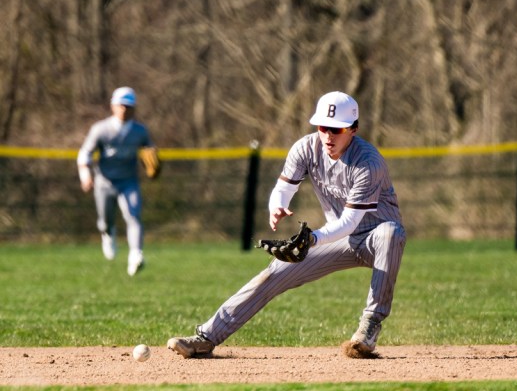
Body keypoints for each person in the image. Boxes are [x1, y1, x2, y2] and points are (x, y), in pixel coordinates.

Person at [167, 91, 406, 358]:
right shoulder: (306, 148)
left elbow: (351, 222)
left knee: (391, 232)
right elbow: (282, 188)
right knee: (273, 274)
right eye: (323, 127)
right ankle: (206, 338)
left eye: (336, 129)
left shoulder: (368, 163)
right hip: (339, 238)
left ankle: (369, 327)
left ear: (353, 129)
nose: (328, 136)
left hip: (374, 238)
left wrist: (313, 239)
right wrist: (276, 206)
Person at [77, 87, 156, 276]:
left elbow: (150, 150)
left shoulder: (140, 131)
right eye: (121, 105)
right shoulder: (101, 129)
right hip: (105, 182)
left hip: (129, 181)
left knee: (133, 215)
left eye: (128, 106)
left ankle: (136, 254)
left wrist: (153, 162)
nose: (124, 109)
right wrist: (85, 175)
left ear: (134, 108)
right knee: (105, 220)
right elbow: (85, 153)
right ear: (113, 106)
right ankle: (107, 234)